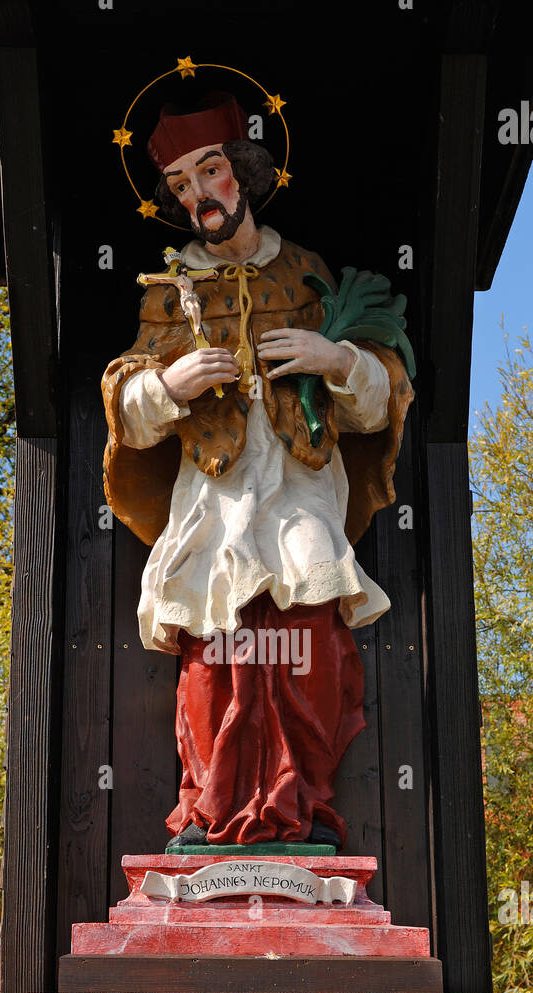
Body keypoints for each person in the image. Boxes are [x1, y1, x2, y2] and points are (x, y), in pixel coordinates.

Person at [102, 93, 413, 849]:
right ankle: (213, 813)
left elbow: (382, 402)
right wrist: (168, 388)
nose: (197, 195)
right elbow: (127, 406)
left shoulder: (307, 276)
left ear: (242, 173)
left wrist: (337, 359)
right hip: (214, 503)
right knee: (214, 659)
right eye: (179, 185)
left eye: (208, 172)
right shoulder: (168, 291)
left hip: (300, 495)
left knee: (309, 650)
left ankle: (298, 811)